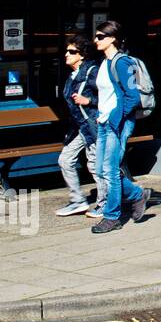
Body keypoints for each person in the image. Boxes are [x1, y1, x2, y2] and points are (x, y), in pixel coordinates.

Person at [90, 21, 150, 234]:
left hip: (118, 123)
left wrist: (116, 118)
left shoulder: (121, 63)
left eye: (100, 37)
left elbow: (132, 97)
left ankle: (112, 216)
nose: (96, 40)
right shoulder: (105, 63)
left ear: (112, 38)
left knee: (111, 171)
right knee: (100, 170)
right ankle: (136, 195)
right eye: (96, 37)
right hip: (105, 122)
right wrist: (102, 115)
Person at [56, 37, 104, 218]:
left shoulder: (93, 72)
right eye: (67, 51)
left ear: (83, 55)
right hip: (79, 128)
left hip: (93, 126)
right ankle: (78, 201)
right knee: (65, 160)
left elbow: (110, 98)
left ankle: (104, 203)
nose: (67, 54)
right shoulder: (72, 76)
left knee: (95, 166)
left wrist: (89, 100)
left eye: (72, 52)